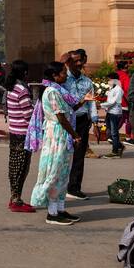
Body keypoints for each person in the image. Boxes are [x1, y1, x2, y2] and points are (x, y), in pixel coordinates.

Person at [26, 62, 82, 226]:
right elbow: (61, 118)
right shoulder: (52, 92)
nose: (66, 75)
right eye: (63, 73)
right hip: (57, 134)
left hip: (61, 133)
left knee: (64, 172)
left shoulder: (56, 91)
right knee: (55, 171)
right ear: (55, 76)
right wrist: (75, 135)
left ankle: (60, 209)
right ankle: (52, 213)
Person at [63, 49, 98, 198]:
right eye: (74, 61)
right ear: (69, 63)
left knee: (79, 154)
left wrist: (95, 122)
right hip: (65, 120)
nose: (78, 64)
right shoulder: (63, 79)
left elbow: (91, 103)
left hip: (82, 120)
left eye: (80, 60)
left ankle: (74, 187)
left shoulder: (87, 82)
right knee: (62, 153)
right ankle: (59, 187)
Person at [3, 60, 35, 212]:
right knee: (22, 167)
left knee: (14, 165)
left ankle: (14, 197)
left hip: (14, 131)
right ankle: (16, 200)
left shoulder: (11, 88)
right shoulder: (22, 89)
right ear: (24, 73)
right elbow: (28, 114)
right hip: (23, 133)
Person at [101, 71, 125, 155]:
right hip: (110, 112)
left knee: (114, 133)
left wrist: (100, 105)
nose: (108, 81)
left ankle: (115, 151)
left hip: (115, 113)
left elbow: (113, 102)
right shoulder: (112, 88)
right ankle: (119, 146)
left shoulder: (118, 90)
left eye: (110, 79)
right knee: (109, 132)